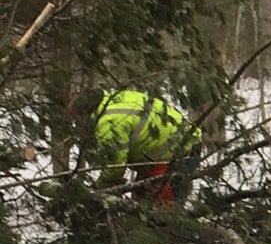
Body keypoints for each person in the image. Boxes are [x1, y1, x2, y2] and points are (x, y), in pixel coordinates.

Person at [66, 88, 203, 206]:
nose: (78, 127)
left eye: (77, 121)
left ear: (84, 114)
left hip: (174, 156)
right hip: (178, 147)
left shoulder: (108, 123)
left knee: (161, 215)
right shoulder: (119, 97)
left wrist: (97, 189)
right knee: (141, 204)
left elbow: (115, 167)